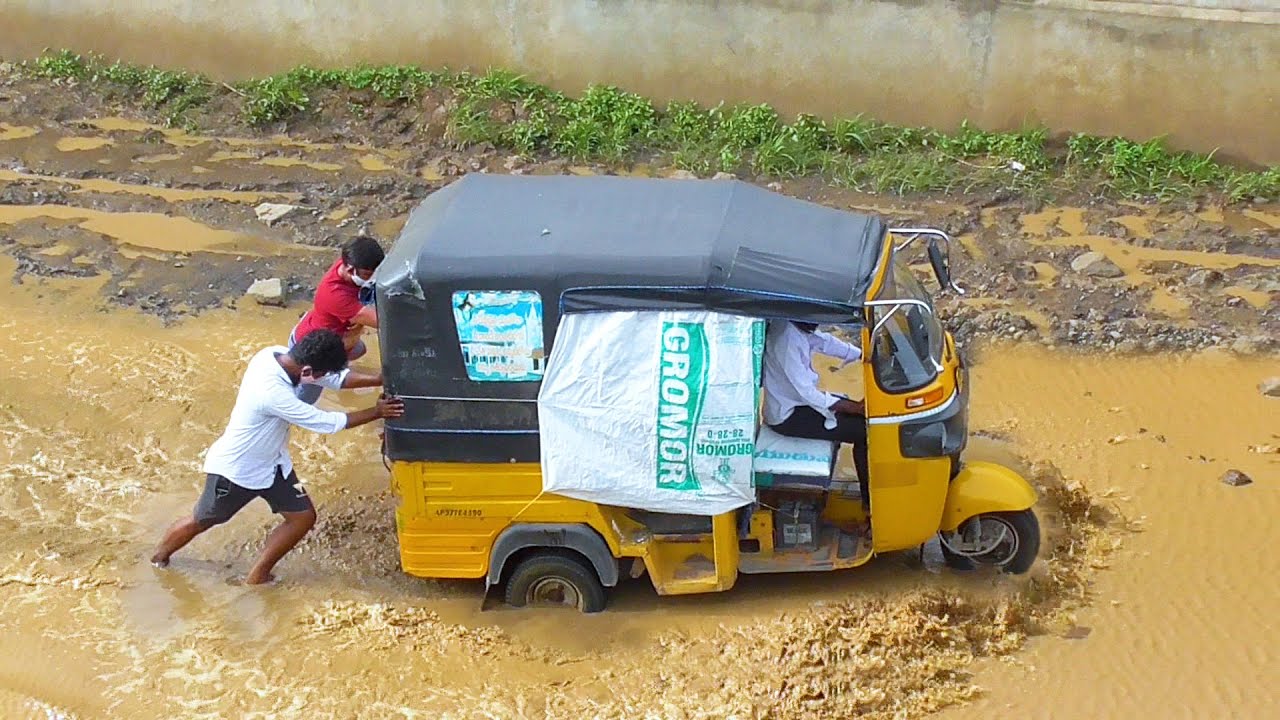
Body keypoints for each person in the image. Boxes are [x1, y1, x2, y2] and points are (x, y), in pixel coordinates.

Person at [150, 330, 404, 585]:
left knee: (302, 517)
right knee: (202, 520)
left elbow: (332, 378)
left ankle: (257, 575)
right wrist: (377, 412)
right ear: (307, 371)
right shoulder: (272, 393)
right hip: (237, 472)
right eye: (320, 373)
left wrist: (378, 379)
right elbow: (325, 422)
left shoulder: (273, 355)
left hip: (274, 465)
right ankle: (158, 559)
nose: (323, 378)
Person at [761, 320, 870, 509]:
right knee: (864, 432)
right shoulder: (785, 341)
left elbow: (823, 341)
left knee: (861, 415)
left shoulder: (795, 325)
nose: (817, 325)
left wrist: (862, 354)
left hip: (799, 403)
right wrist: (852, 407)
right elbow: (807, 392)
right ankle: (870, 501)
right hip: (788, 415)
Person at [289, 235, 385, 404]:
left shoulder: (349, 262)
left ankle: (340, 369)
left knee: (359, 349)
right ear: (349, 269)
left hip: (332, 335)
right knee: (305, 400)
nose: (371, 279)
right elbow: (385, 322)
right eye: (367, 275)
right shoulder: (335, 295)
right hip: (314, 352)